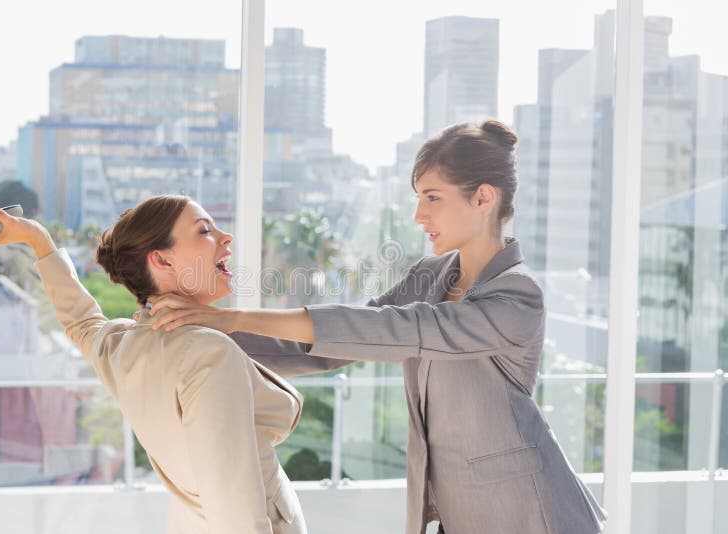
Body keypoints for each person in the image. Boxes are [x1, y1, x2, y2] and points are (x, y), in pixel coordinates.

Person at [142, 120, 608, 533]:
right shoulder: (431, 274)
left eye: (432, 197)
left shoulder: (517, 296)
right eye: (418, 198)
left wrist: (233, 316)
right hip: (457, 514)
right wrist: (208, 334)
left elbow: (398, 328)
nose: (419, 215)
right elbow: (336, 343)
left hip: (531, 513)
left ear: (483, 197)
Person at [0, 196, 307, 534]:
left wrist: (39, 241)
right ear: (162, 260)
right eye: (205, 230)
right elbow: (233, 502)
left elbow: (81, 322)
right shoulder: (211, 355)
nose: (226, 237)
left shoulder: (124, 344)